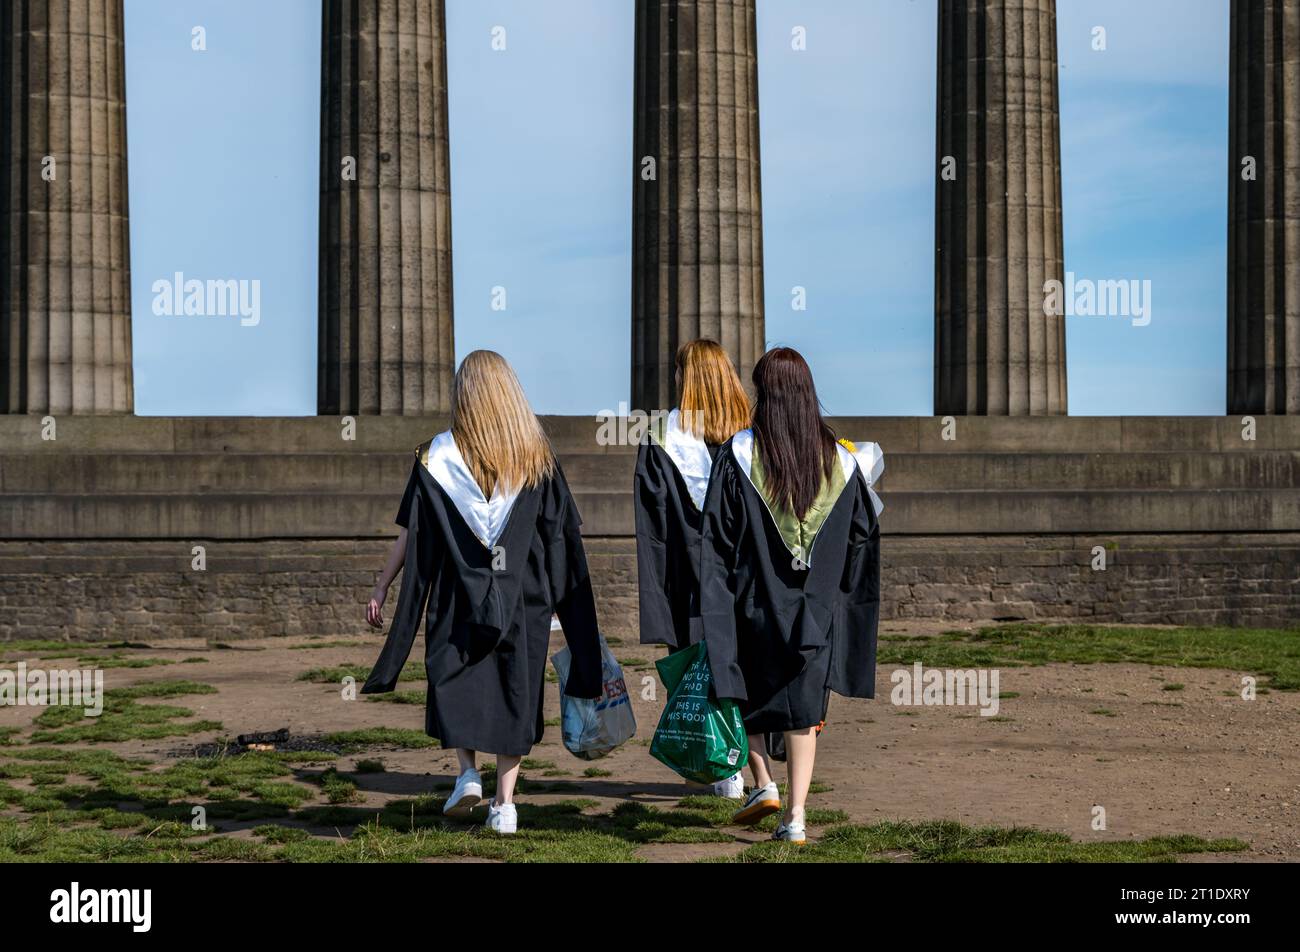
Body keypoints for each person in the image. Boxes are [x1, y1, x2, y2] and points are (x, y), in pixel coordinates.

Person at [363, 350, 603, 835]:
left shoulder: (437, 458)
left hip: (457, 594)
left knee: (455, 679)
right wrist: (566, 602)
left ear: (463, 396)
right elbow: (561, 534)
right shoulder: (536, 456)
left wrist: (383, 584)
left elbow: (412, 531)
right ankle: (505, 804)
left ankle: (467, 772)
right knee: (516, 688)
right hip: (523, 597)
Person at [697, 347, 883, 843]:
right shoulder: (842, 463)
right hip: (816, 612)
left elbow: (716, 538)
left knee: (746, 693)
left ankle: (764, 783)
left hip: (753, 605)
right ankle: (796, 816)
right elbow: (862, 537)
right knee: (804, 712)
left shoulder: (738, 457)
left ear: (765, 395)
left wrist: (716, 596)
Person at [634, 339, 750, 799]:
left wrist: (662, 588)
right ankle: (747, 762)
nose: (675, 380)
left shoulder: (662, 439)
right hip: (744, 580)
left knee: (695, 666)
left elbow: (654, 526)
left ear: (689, 379)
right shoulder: (752, 438)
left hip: (688, 580)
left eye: (679, 372)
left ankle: (720, 765)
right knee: (741, 664)